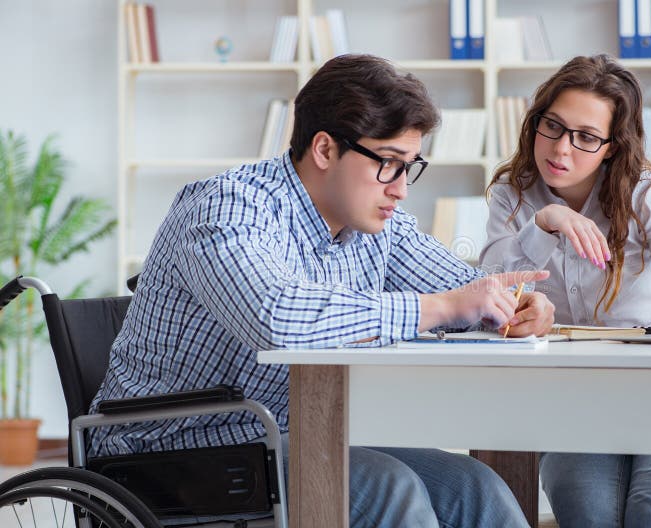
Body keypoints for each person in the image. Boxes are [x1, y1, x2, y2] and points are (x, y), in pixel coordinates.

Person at [88, 54, 555, 528]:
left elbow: (464, 291)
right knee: (388, 487)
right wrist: (441, 307)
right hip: (166, 451)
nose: (401, 190)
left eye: (409, 167)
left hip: (290, 436)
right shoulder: (228, 207)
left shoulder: (377, 224)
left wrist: (512, 305)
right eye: (388, 164)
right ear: (326, 149)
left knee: (474, 487)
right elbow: (276, 317)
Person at [480, 54, 651, 528]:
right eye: (553, 126)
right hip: (576, 402)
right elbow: (495, 292)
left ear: (612, 147)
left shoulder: (645, 193)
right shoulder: (513, 192)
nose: (561, 148)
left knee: (650, 514)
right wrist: (544, 224)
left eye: (586, 137)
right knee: (589, 516)